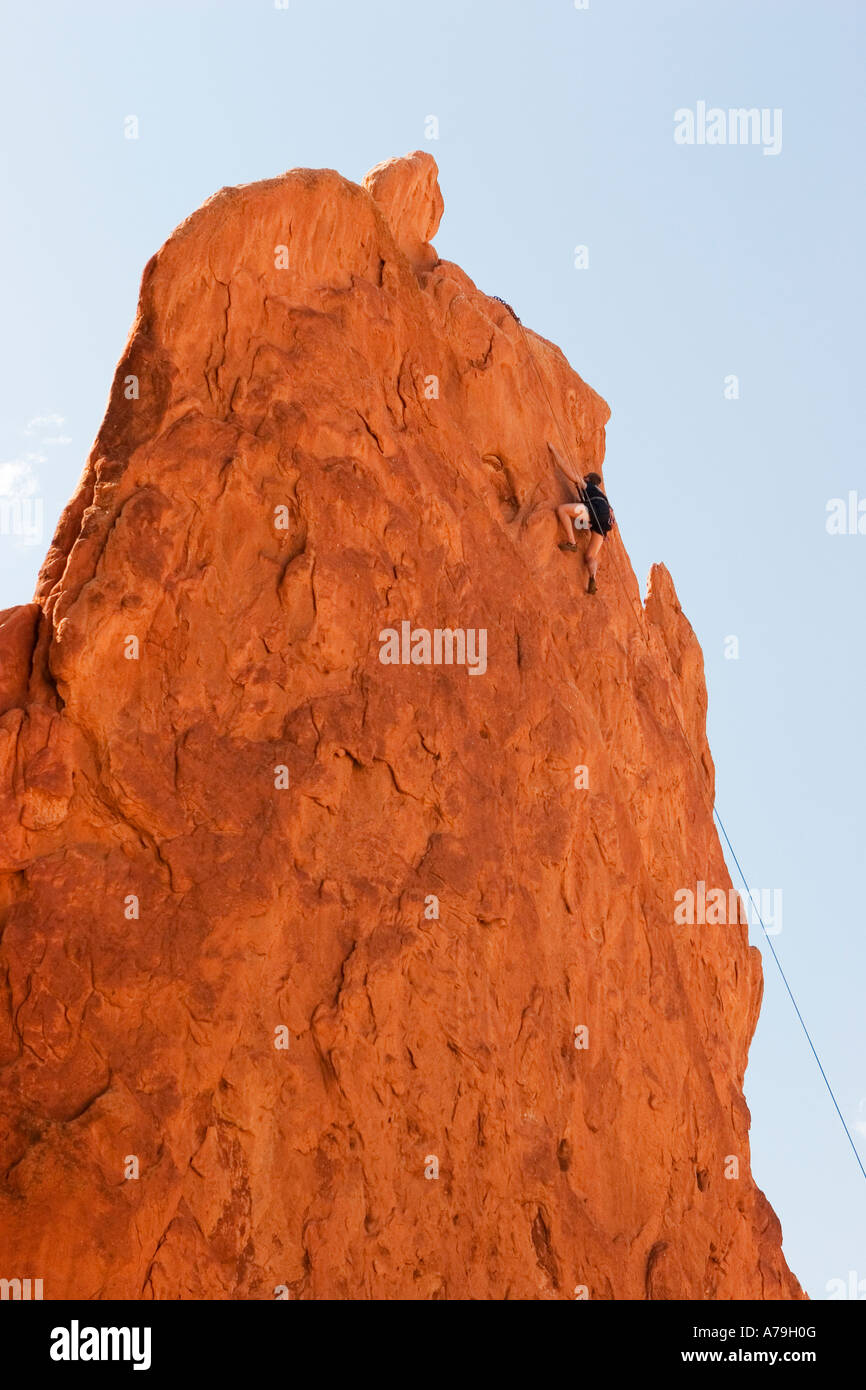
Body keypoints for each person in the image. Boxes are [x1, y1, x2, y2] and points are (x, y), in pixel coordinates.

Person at [549, 445, 615, 594]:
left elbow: (569, 473)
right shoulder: (602, 496)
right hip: (604, 525)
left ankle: (572, 542)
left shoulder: (588, 485)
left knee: (562, 510)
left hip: (595, 513)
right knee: (590, 556)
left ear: (588, 479)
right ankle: (592, 576)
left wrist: (555, 452)